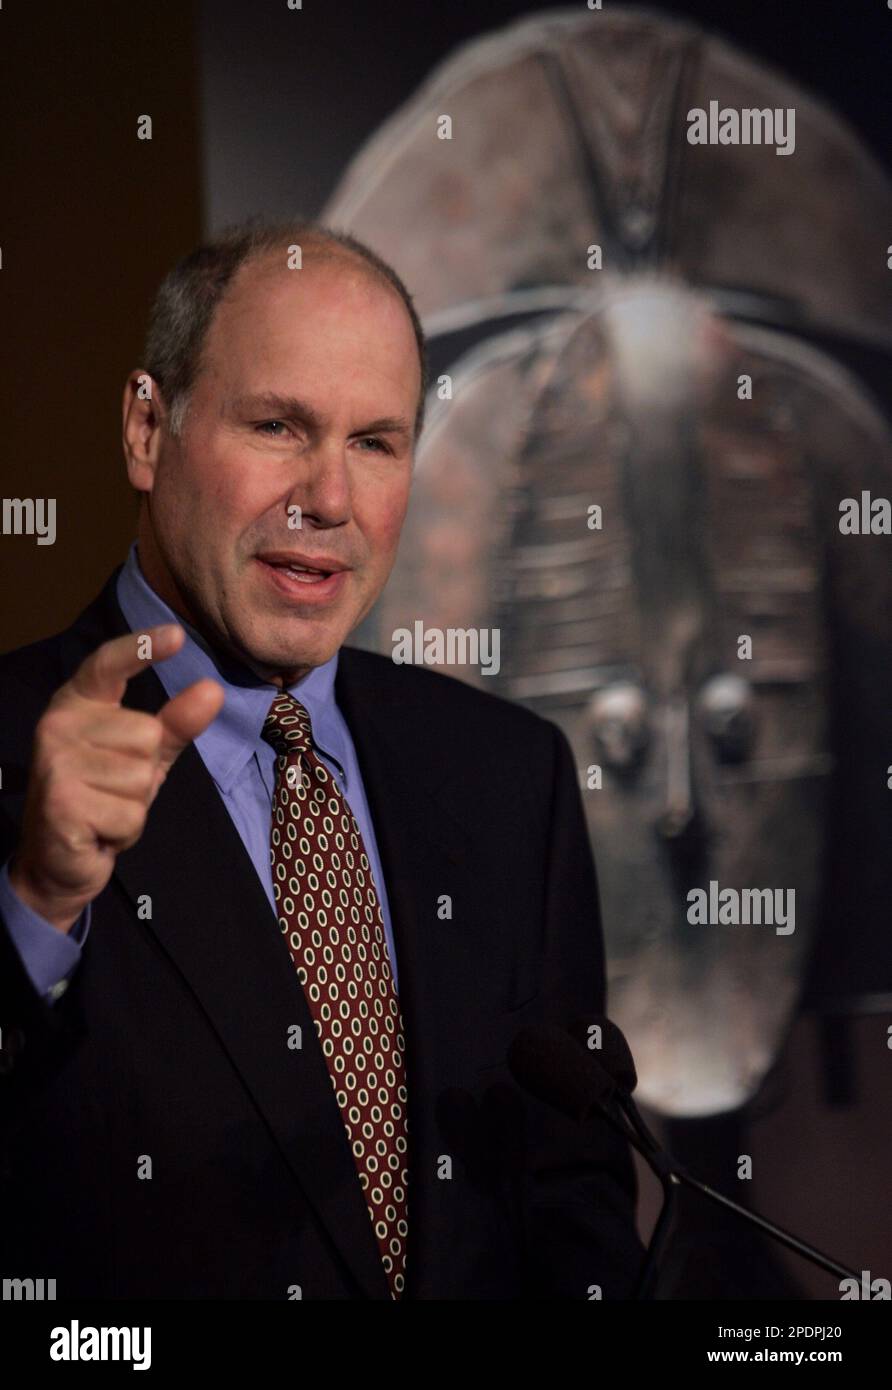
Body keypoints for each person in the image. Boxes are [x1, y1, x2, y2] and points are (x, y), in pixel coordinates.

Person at [0, 220, 644, 1299]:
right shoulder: (16, 752)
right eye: (277, 425)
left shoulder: (508, 778)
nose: (329, 500)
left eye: (376, 442)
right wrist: (35, 905)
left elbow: (571, 1219)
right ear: (147, 429)